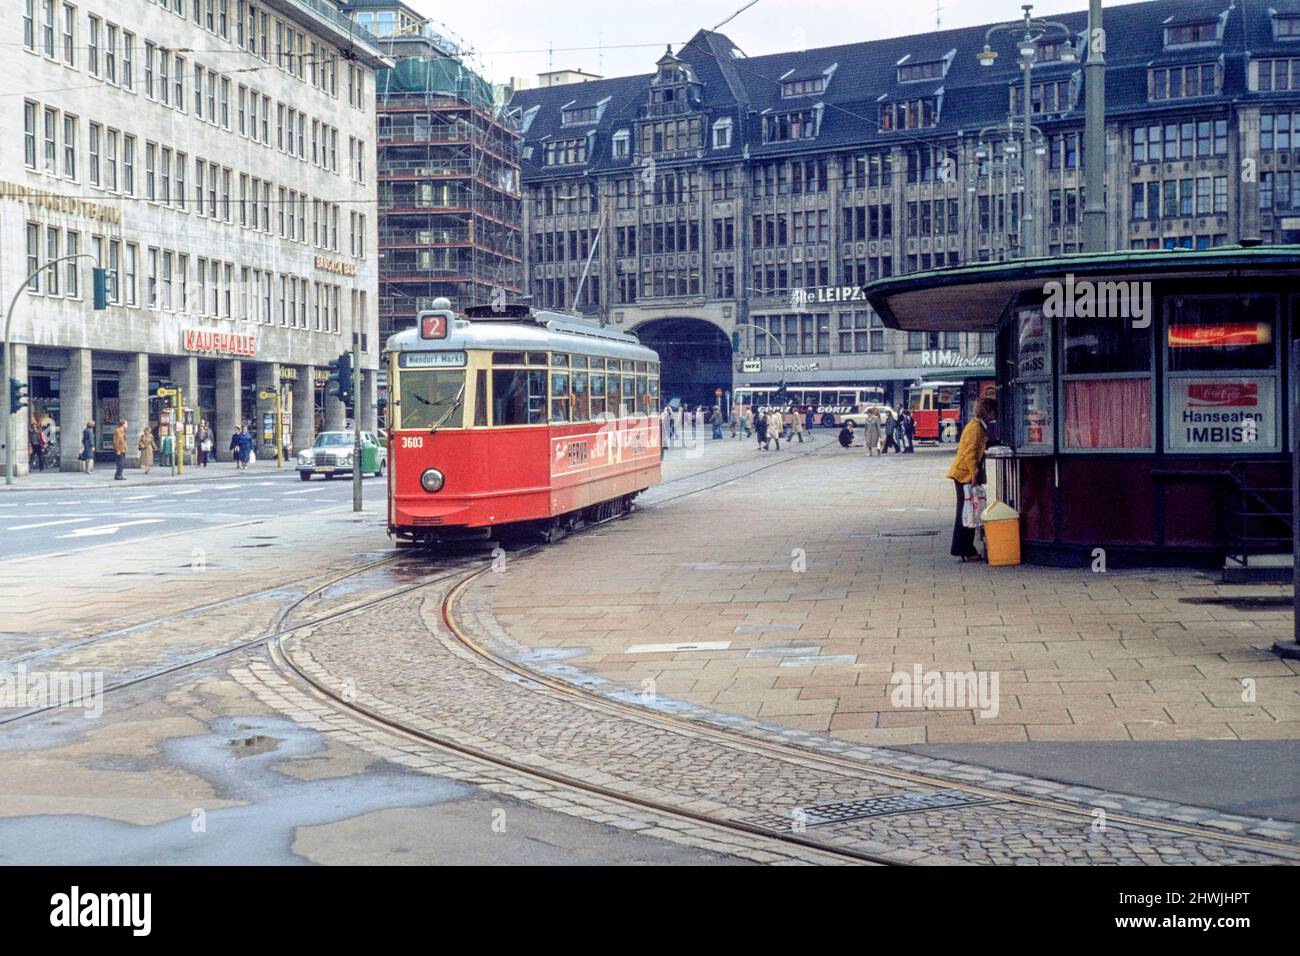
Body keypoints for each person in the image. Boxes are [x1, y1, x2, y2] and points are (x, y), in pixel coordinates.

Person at [947, 396, 997, 562]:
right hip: (964, 475)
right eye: (994, 412)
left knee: (968, 512)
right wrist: (974, 474)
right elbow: (969, 453)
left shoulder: (979, 426)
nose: (995, 415)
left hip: (966, 474)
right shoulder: (975, 428)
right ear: (988, 412)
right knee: (966, 513)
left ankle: (965, 548)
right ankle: (965, 549)